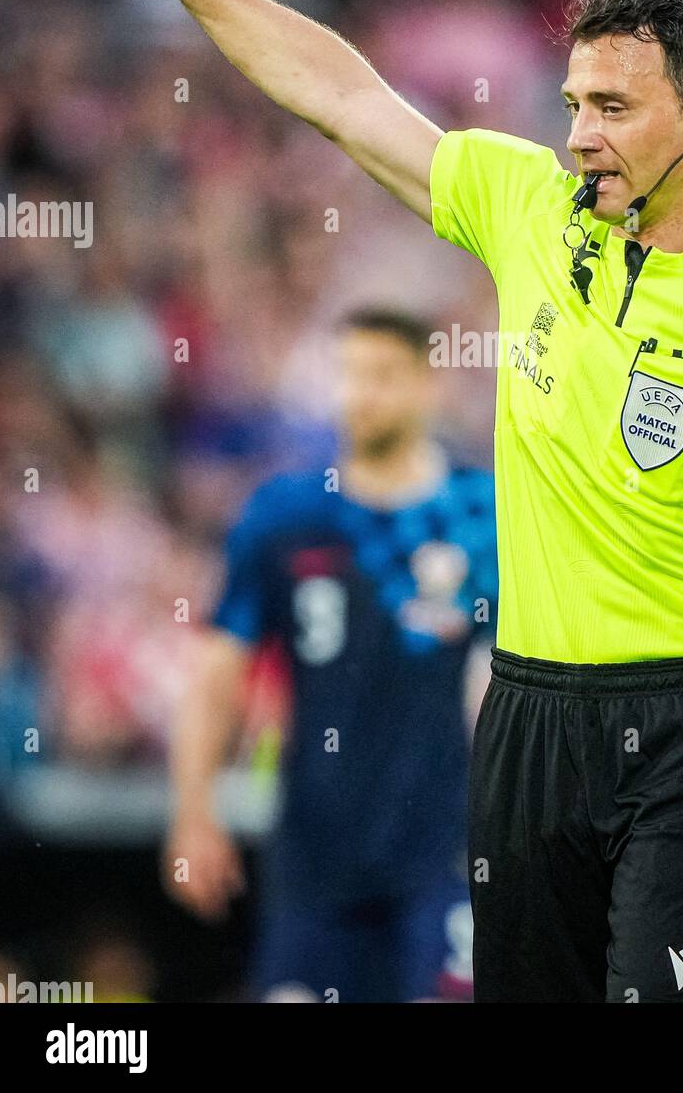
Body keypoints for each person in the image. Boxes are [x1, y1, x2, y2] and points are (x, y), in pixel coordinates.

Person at [41, 0, 683, 1004]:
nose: (577, 135)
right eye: (571, 104)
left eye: (611, 108)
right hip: (526, 725)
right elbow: (340, 93)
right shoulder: (528, 210)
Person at [163, 308, 498, 1002]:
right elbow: (219, 669)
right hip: (313, 853)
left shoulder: (480, 516)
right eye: (347, 375)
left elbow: (522, 675)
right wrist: (194, 810)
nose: (359, 395)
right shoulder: (286, 514)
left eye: (381, 376)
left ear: (428, 385)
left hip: (440, 852)